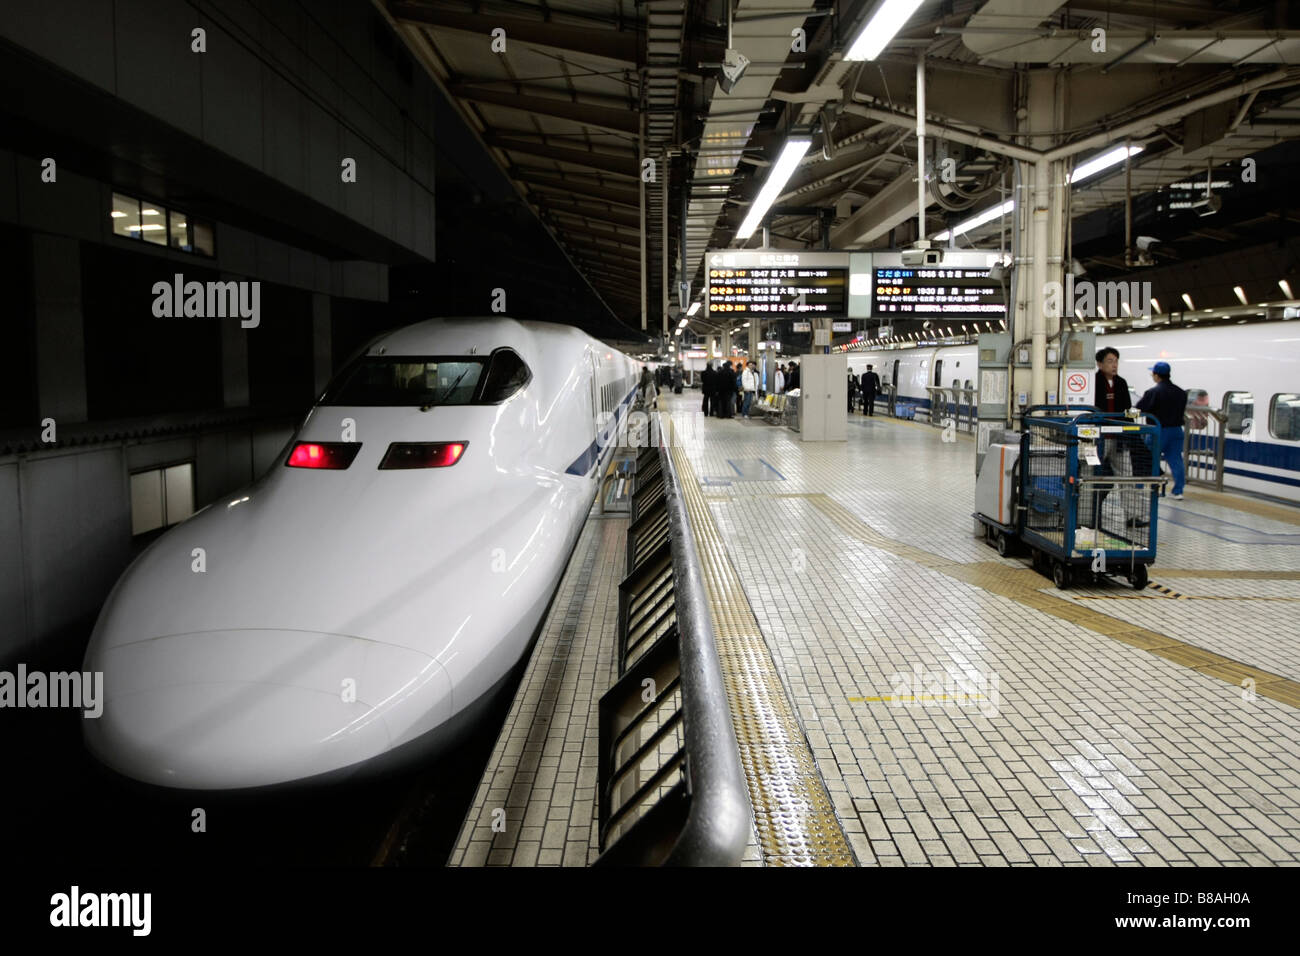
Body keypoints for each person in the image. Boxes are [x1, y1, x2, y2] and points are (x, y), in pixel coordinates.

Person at [1136, 360, 1188, 499]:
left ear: (1156, 375)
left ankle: (1141, 488)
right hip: (1177, 430)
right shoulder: (1181, 393)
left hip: (1158, 431)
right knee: (1176, 460)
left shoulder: (1153, 392)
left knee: (1147, 458)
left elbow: (1140, 407)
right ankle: (1178, 492)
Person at [1093, 347, 1131, 414]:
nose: (1115, 365)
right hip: (1099, 422)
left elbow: (1127, 407)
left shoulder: (1121, 382)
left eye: (1116, 361)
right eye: (1110, 361)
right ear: (1100, 364)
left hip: (1119, 423)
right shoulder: (1094, 382)